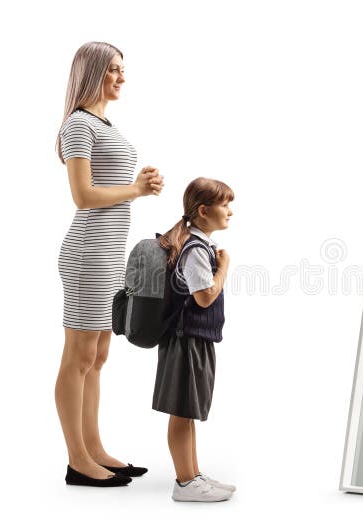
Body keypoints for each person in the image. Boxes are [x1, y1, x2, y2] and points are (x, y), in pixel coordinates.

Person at [55, 41, 164, 487]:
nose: (121, 77)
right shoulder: (79, 126)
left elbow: (113, 184)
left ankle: (95, 448)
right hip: (86, 254)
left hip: (107, 254)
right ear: (93, 71)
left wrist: (144, 183)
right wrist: (136, 190)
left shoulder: (105, 124)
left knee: (98, 356)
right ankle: (78, 460)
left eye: (123, 70)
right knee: (79, 356)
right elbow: (82, 196)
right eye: (113, 70)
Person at [154, 177, 235, 502]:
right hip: (187, 339)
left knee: (187, 412)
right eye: (225, 204)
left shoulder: (194, 242)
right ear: (203, 210)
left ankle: (193, 475)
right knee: (182, 412)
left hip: (193, 339)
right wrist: (225, 267)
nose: (230, 211)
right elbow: (204, 297)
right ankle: (185, 483)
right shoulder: (196, 248)